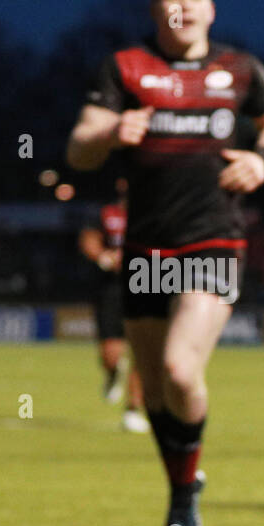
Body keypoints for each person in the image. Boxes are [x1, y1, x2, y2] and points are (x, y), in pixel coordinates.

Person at [66, 0, 264, 526]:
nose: (183, 6)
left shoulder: (239, 70)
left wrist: (262, 159)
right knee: (161, 398)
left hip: (214, 239)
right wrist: (109, 133)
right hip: (144, 247)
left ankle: (183, 491)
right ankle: (182, 489)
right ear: (156, 6)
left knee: (177, 371)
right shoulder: (125, 68)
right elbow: (78, 148)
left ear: (210, 7)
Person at [77, 178, 148, 433]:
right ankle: (112, 373)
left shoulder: (155, 213)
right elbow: (89, 239)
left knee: (143, 349)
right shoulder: (107, 213)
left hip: (146, 284)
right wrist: (105, 257)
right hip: (111, 289)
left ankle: (133, 408)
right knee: (111, 352)